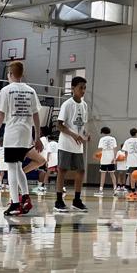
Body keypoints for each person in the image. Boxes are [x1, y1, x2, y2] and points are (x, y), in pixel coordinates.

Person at [0, 60, 42, 217]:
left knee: (11, 169)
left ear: (10, 74)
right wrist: (37, 136)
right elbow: (36, 114)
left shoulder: (6, 90)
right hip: (26, 135)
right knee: (18, 167)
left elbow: (0, 114)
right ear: (22, 73)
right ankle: (25, 197)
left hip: (12, 134)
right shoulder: (31, 91)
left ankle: (15, 203)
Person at [54, 76, 89, 212]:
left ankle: (77, 200)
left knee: (81, 170)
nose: (83, 90)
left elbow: (83, 125)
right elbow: (59, 125)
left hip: (78, 145)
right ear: (72, 88)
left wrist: (86, 134)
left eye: (85, 88)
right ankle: (58, 200)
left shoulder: (84, 105)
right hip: (66, 143)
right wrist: (74, 135)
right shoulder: (67, 104)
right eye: (81, 87)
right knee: (62, 170)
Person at [122, 128, 137, 200]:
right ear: (136, 133)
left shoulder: (127, 141)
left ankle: (133, 190)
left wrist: (126, 160)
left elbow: (126, 152)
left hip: (130, 161)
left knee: (132, 176)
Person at [96, 127, 118, 196]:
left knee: (103, 174)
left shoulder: (102, 139)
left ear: (102, 132)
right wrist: (114, 158)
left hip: (104, 159)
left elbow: (100, 149)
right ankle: (115, 189)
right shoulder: (113, 139)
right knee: (112, 174)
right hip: (111, 158)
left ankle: (101, 190)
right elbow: (115, 149)